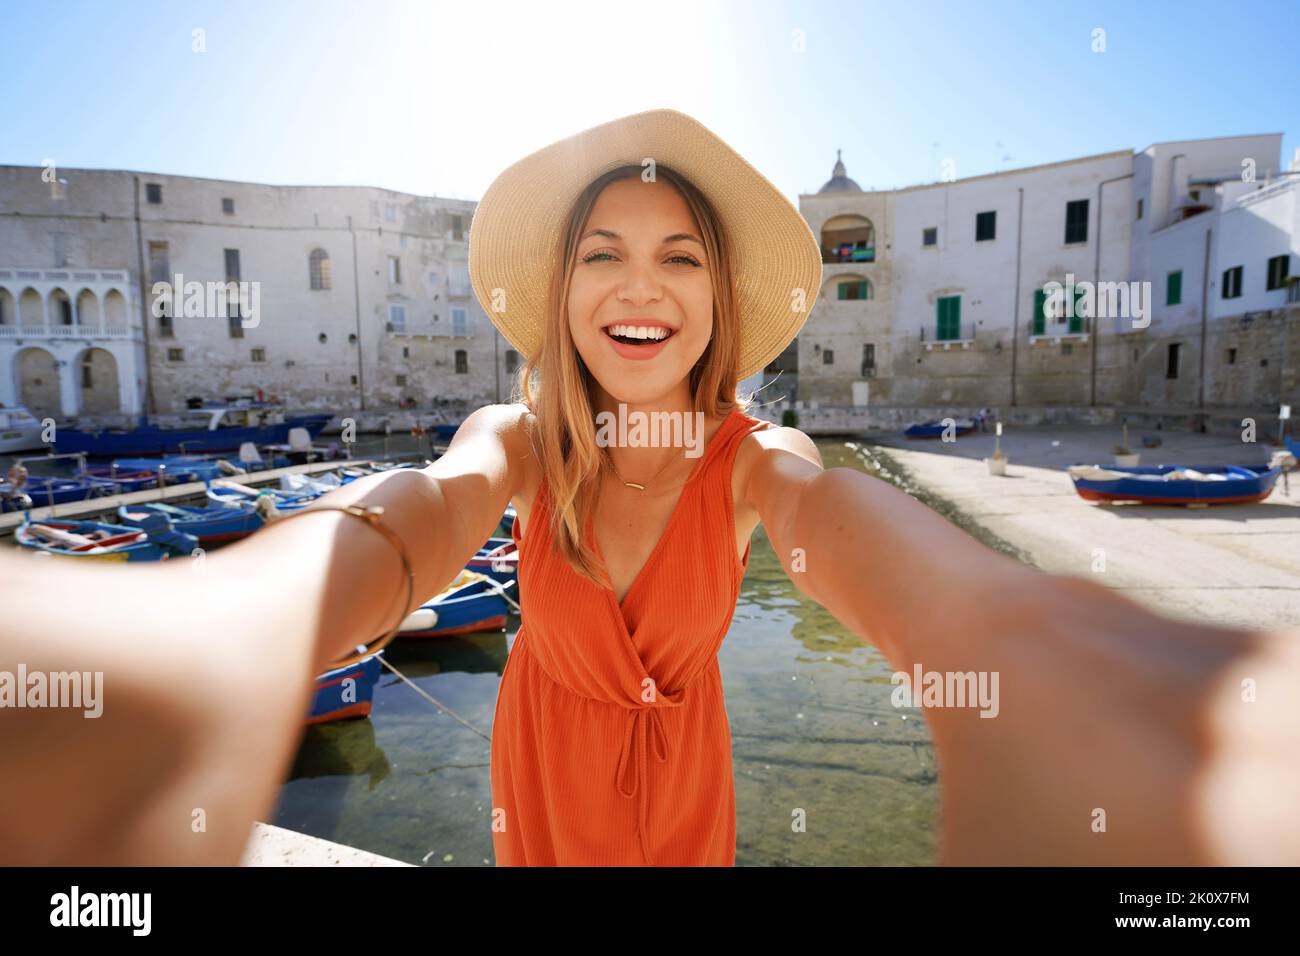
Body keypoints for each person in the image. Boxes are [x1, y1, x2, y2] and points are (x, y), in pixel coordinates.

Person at [2, 109, 1297, 866]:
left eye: (680, 255)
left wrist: (1034, 641)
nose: (639, 283)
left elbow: (842, 523)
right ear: (562, 292)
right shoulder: (513, 437)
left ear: (719, 297)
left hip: (681, 775)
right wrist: (237, 625)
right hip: (546, 768)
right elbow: (427, 513)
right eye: (602, 252)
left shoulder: (755, 460)